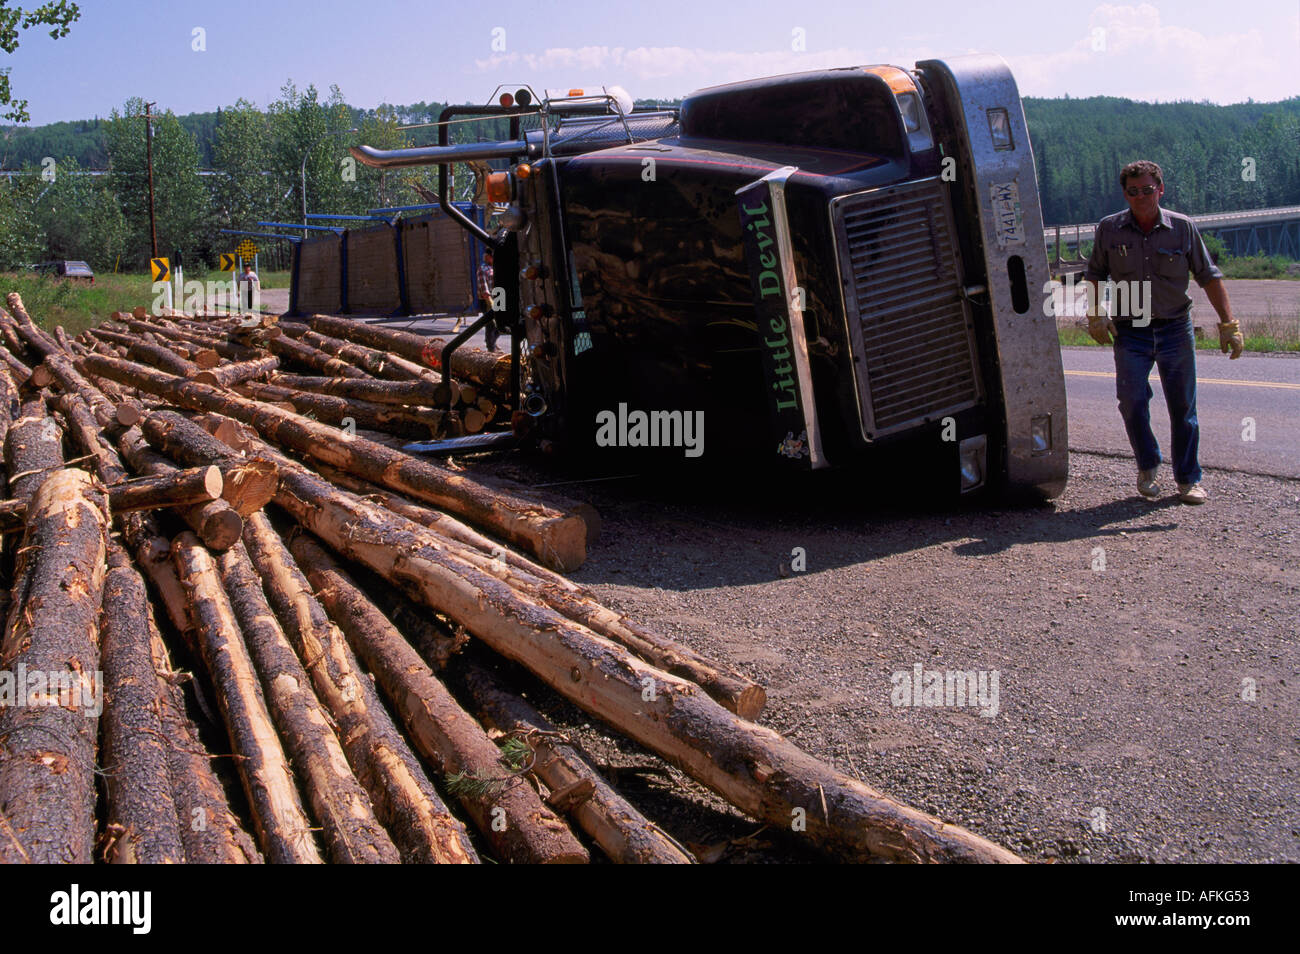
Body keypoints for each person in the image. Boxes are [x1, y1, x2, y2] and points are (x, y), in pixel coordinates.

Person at [1083, 159, 1242, 505]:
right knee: (1132, 401)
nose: (1141, 197)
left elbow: (1209, 277)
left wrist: (1228, 324)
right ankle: (1148, 464)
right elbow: (1094, 274)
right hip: (1131, 330)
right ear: (1125, 193)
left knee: (1183, 407)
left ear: (1161, 189)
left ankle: (1188, 479)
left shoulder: (1182, 228)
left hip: (1175, 328)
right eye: (1133, 191)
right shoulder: (1109, 229)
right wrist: (1095, 315)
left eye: (1148, 189)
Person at [478, 248, 500, 352]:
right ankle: (491, 346)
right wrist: (489, 301)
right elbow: (484, 287)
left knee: (500, 323)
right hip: (488, 300)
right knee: (491, 324)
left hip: (498, 297)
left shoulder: (494, 267)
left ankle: (492, 342)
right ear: (488, 257)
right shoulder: (483, 269)